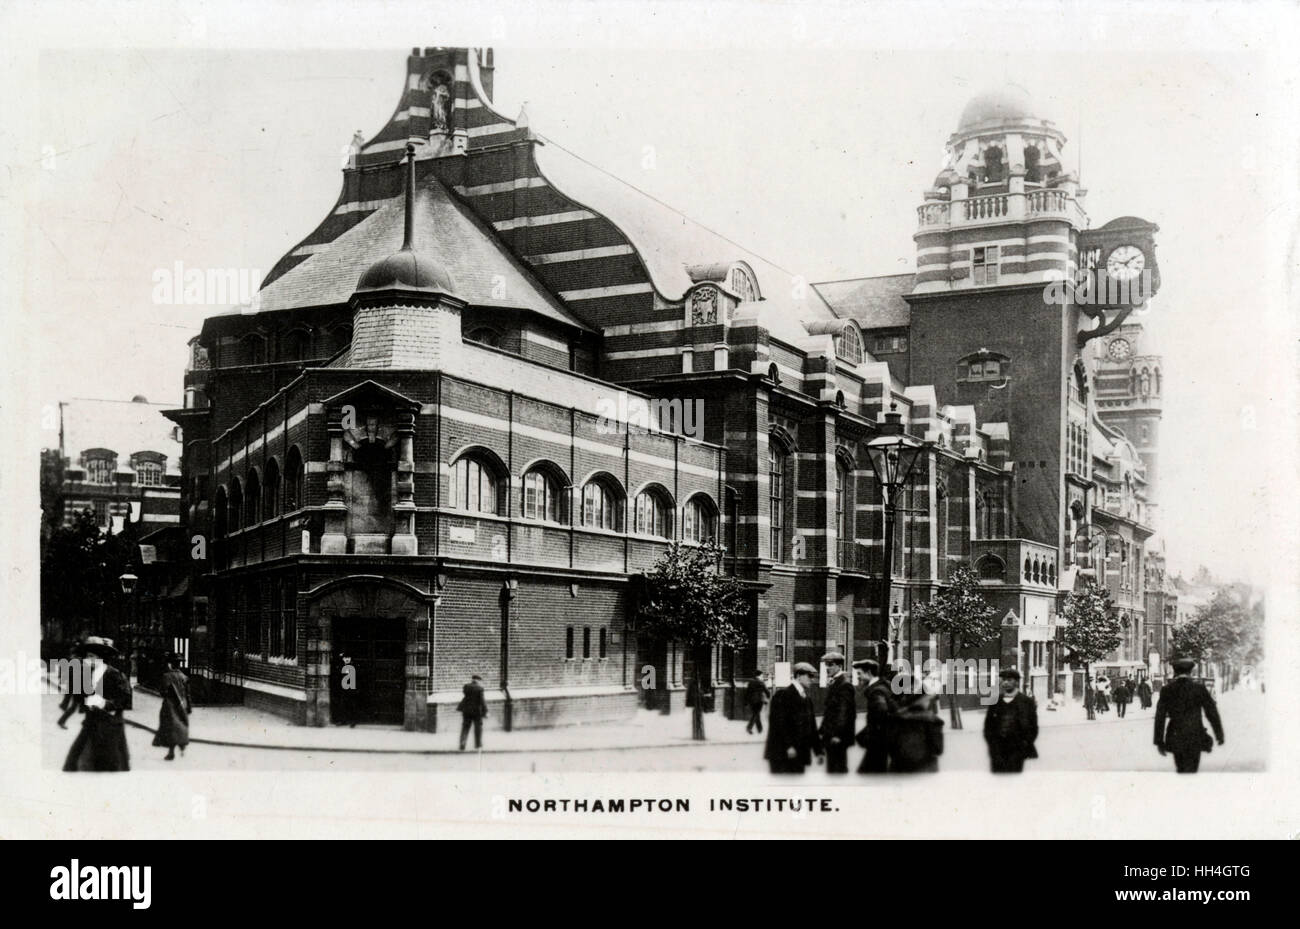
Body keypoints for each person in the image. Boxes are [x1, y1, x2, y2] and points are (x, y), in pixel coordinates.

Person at [62, 637, 132, 772]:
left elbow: (125, 698)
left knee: (108, 763)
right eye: (87, 656)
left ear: (99, 657)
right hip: (91, 723)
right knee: (76, 760)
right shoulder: (86, 674)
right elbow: (81, 697)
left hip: (110, 726)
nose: (87, 660)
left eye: (90, 656)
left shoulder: (115, 675)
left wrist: (106, 703)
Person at [1154, 657, 1224, 773]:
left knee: (1180, 768)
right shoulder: (1199, 689)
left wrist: (1159, 741)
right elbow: (1211, 712)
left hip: (1175, 735)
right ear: (1190, 672)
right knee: (1193, 768)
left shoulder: (1167, 690)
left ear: (1175, 672)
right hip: (1195, 735)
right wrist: (1219, 734)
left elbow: (1160, 717)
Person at [764, 662, 823, 774]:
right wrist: (789, 746)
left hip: (799, 754)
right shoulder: (783, 695)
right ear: (799, 676)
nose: (812, 679)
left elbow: (811, 727)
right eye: (809, 676)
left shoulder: (806, 699)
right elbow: (778, 724)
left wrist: (818, 751)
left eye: (813, 676)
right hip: (783, 754)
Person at [982, 667, 1039, 773]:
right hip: (998, 752)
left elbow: (1033, 728)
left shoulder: (1027, 702)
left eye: (1009, 680)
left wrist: (1024, 745)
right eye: (1003, 680)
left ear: (1017, 682)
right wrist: (992, 746)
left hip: (1017, 752)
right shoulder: (995, 702)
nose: (1005, 682)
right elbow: (988, 727)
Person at [887, 673, 944, 773]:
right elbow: (938, 749)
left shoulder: (896, 713)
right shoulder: (931, 720)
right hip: (925, 769)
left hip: (899, 768)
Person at [854, 658, 896, 774]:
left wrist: (867, 735)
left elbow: (881, 713)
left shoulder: (876, 691)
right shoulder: (882, 686)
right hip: (883, 743)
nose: (858, 677)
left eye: (859, 674)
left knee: (869, 774)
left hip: (878, 744)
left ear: (868, 673)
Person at [818, 653, 856, 774]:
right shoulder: (836, 682)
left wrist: (838, 735)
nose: (827, 668)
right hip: (831, 735)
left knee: (837, 768)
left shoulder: (844, 685)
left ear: (839, 665)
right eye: (826, 665)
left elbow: (843, 712)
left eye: (830, 665)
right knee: (834, 767)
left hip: (837, 737)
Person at [152, 652, 192, 761]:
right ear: (179, 664)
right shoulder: (184, 677)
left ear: (171, 664)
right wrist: (189, 707)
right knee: (181, 725)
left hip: (170, 705)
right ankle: (182, 744)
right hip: (182, 704)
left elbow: (162, 692)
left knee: (171, 728)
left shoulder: (166, 676)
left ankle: (171, 752)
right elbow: (188, 694)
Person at [56, 642, 85, 729]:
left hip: (76, 684)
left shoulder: (75, 659)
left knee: (76, 704)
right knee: (75, 706)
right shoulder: (79, 661)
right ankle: (62, 720)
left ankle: (64, 709)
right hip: (78, 685)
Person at [457, 674, 488, 751]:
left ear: (472, 679)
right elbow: (482, 701)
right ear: (478, 680)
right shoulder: (480, 689)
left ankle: (462, 743)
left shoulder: (466, 686)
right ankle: (478, 744)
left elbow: (465, 695)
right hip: (477, 711)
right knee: (478, 728)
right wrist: (486, 711)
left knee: (465, 727)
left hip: (466, 710)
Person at [744, 670, 770, 735]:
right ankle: (749, 728)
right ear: (758, 676)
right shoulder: (761, 682)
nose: (762, 677)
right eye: (761, 675)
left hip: (751, 701)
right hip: (759, 701)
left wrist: (746, 701)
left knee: (756, 714)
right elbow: (767, 691)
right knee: (756, 714)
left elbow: (747, 692)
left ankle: (760, 729)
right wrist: (768, 696)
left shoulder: (751, 682)